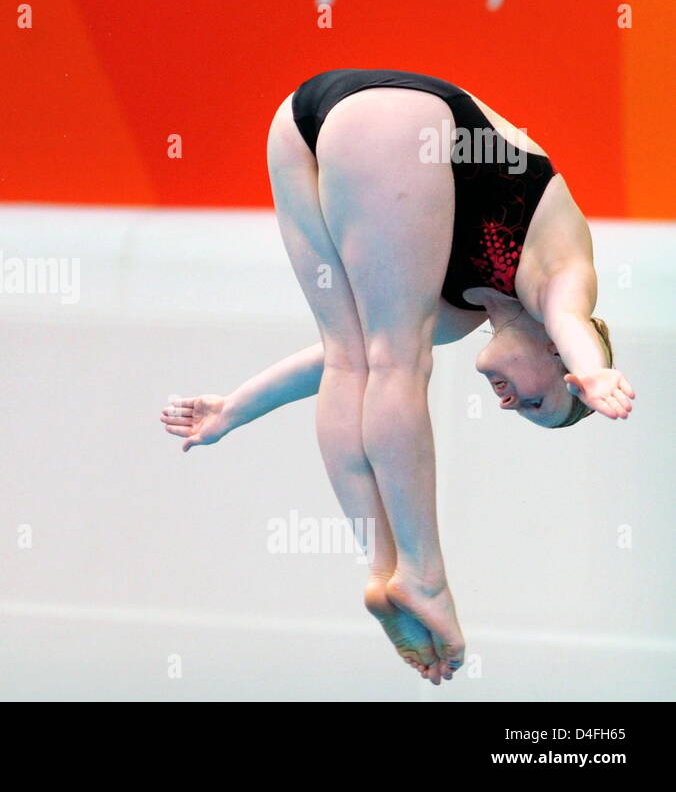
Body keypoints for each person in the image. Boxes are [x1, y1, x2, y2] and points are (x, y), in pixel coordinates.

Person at [161, 69, 634, 684]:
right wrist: (595, 375)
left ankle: (387, 568)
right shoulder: (566, 276)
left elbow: (322, 364)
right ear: (557, 354)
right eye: (537, 400)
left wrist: (234, 410)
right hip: (400, 119)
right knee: (393, 361)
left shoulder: (457, 313)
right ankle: (425, 575)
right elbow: (571, 319)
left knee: (349, 356)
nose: (509, 403)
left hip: (299, 125)